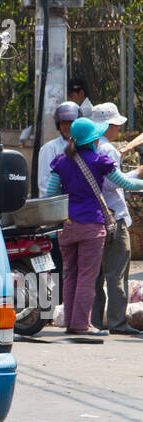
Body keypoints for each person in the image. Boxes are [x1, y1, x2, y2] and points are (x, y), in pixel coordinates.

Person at [44, 116, 143, 337]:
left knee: (70, 275)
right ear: (93, 140)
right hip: (92, 226)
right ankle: (82, 324)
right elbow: (125, 183)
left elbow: (50, 194)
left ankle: (71, 321)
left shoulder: (61, 161)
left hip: (67, 227)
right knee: (87, 277)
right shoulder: (99, 160)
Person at [89, 102, 143, 335]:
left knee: (96, 275)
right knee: (117, 273)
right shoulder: (108, 149)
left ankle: (94, 321)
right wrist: (137, 177)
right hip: (114, 217)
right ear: (106, 126)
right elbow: (112, 183)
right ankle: (118, 324)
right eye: (114, 125)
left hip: (95, 216)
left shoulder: (86, 146)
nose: (117, 130)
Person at [37, 101, 79, 197]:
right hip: (59, 206)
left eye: (71, 122)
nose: (67, 126)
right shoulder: (50, 148)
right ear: (58, 124)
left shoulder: (85, 146)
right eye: (64, 122)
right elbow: (45, 185)